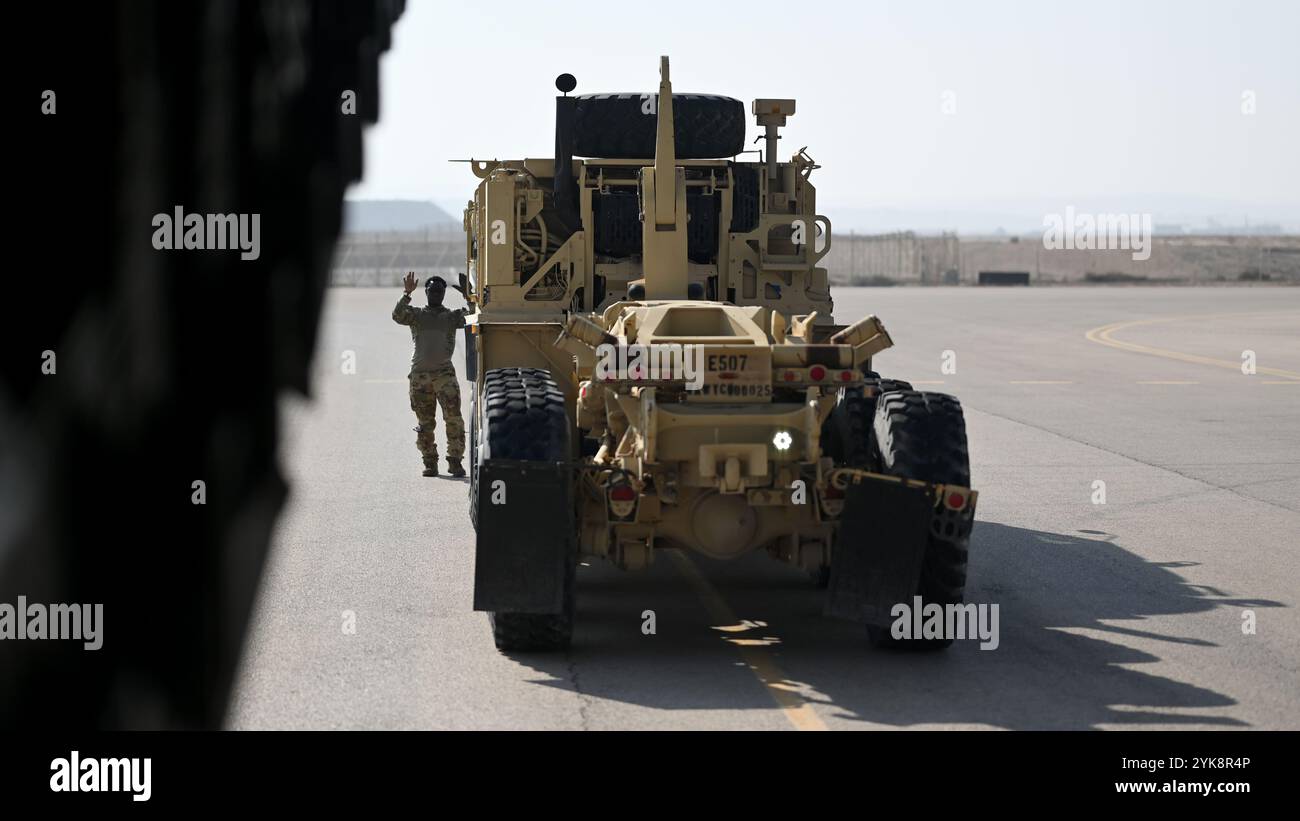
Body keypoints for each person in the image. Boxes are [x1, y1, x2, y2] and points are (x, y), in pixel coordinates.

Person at [392, 272, 468, 477]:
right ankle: (430, 463)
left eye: (439, 291)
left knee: (454, 420)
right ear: (425, 292)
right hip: (420, 378)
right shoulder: (416, 315)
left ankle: (455, 461)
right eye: (432, 290)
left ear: (444, 294)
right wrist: (407, 293)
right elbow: (397, 315)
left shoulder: (452, 317)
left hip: (445, 376)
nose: (435, 293)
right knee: (425, 424)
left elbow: (473, 317)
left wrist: (470, 297)